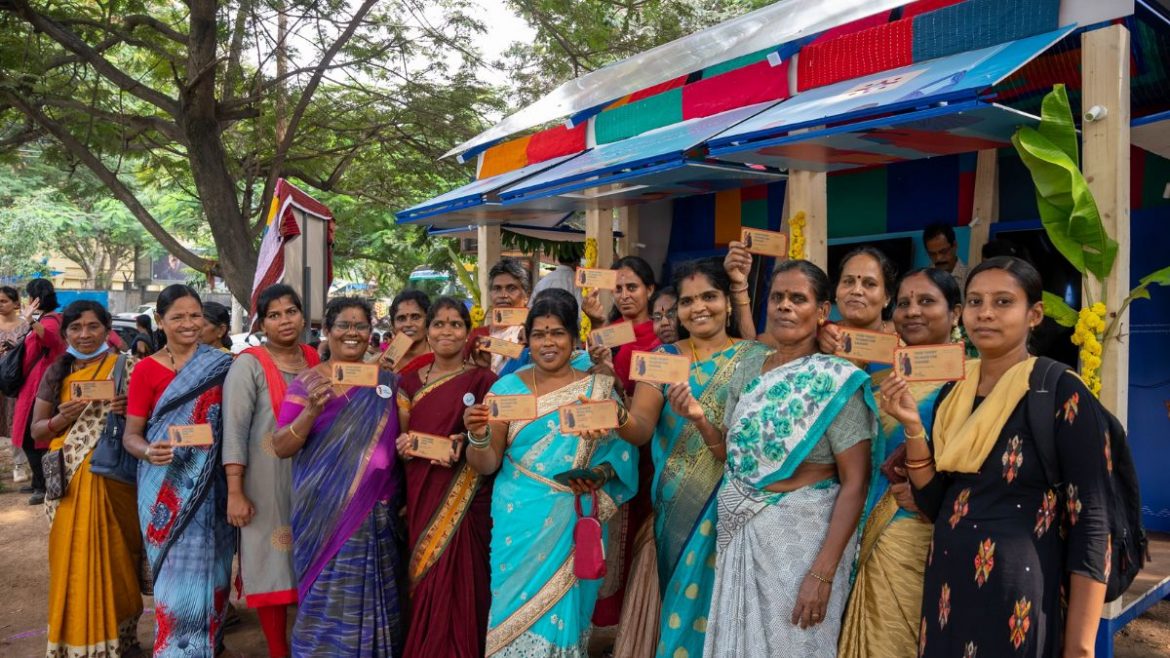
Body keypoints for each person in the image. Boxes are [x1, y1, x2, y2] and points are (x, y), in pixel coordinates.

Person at [882, 256, 1110, 657]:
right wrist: (912, 427)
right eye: (975, 301)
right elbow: (939, 503)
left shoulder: (1058, 391)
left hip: (1018, 595)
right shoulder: (957, 392)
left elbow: (1091, 520)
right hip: (947, 591)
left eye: (1003, 302)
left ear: (1034, 314)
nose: (985, 313)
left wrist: (1080, 646)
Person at [703, 260, 879, 657]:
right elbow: (735, 451)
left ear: (821, 312)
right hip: (741, 529)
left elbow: (855, 482)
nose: (784, 306)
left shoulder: (836, 379)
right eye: (778, 297)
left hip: (803, 542)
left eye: (798, 298)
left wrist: (823, 572)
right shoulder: (749, 365)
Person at [609, 259, 772, 658]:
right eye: (687, 301)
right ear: (677, 310)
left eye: (709, 297)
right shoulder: (662, 358)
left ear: (728, 302)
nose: (699, 308)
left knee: (730, 611)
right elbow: (642, 428)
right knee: (682, 606)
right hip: (677, 508)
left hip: (738, 507)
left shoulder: (757, 357)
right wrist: (612, 415)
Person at [463, 293, 638, 657]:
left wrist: (599, 474)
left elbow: (623, 454)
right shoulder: (505, 390)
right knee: (512, 613)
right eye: (539, 334)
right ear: (527, 339)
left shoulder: (597, 390)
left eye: (557, 333)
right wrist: (478, 435)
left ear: (574, 338)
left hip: (574, 519)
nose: (548, 343)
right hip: (519, 518)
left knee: (567, 616)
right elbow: (487, 463)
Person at [839, 268, 962, 658]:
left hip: (924, 530)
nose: (912, 312)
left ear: (956, 313)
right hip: (869, 522)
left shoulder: (972, 382)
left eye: (927, 301)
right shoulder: (879, 383)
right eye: (905, 303)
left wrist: (933, 492)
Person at [272, 297, 405, 656]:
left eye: (360, 326)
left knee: (376, 605)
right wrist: (311, 411)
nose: (352, 333)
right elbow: (281, 446)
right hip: (322, 516)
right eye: (343, 325)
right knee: (323, 604)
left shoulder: (389, 384)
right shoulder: (308, 384)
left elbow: (408, 440)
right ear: (327, 331)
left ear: (370, 333)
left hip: (376, 516)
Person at [122, 284, 236, 657]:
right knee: (175, 579)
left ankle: (211, 646)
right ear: (160, 321)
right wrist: (148, 451)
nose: (188, 324)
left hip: (213, 488)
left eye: (195, 315)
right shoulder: (145, 371)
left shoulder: (222, 366)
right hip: (164, 490)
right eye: (178, 317)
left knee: (216, 573)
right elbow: (131, 436)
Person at [31, 301, 142, 658]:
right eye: (76, 328)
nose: (85, 335)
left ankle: (121, 639)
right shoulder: (56, 372)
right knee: (73, 558)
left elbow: (152, 422)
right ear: (64, 334)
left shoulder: (128, 367)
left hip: (116, 478)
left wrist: (133, 411)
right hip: (70, 477)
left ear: (107, 329)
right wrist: (61, 420)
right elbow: (36, 431)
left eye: (93, 326)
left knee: (117, 557)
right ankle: (76, 643)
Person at [395, 297, 497, 658]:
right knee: (425, 573)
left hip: (469, 496)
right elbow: (402, 437)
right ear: (428, 330)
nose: (447, 331)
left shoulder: (485, 379)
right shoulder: (407, 381)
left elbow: (497, 438)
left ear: (468, 333)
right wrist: (404, 445)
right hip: (423, 488)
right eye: (439, 324)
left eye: (456, 324)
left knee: (466, 580)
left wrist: (467, 437)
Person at [223, 284, 320, 658]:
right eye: (274, 315)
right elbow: (234, 430)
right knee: (270, 563)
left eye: (291, 311)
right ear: (261, 323)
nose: (284, 321)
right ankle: (279, 651)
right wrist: (235, 491)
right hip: (264, 484)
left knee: (308, 562)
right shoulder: (248, 364)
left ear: (301, 314)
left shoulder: (314, 357)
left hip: (312, 480)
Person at [14, 278, 67, 505]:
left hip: (41, 387)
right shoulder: (46, 319)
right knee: (30, 438)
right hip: (33, 385)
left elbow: (52, 339)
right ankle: (39, 481)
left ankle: (44, 485)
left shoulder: (53, 320)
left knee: (34, 437)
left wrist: (31, 321)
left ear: (35, 299)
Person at [470, 258, 531, 374]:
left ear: (526, 296)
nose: (503, 295)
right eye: (497, 289)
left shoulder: (536, 334)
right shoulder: (478, 335)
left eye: (511, 288)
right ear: (490, 294)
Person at [0, 286, 30, 483]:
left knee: (16, 422)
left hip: (15, 383)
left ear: (15, 303)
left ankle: (19, 466)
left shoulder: (26, 326)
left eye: (4, 301)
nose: (0, 305)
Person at [383, 290, 432, 374]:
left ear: (428, 321)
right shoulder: (379, 364)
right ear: (392, 325)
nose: (408, 324)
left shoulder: (442, 360)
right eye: (401, 319)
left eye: (416, 317)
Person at [924, 222, 969, 291]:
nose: (938, 258)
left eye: (943, 252)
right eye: (932, 254)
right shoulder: (923, 279)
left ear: (954, 246)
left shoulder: (970, 277)